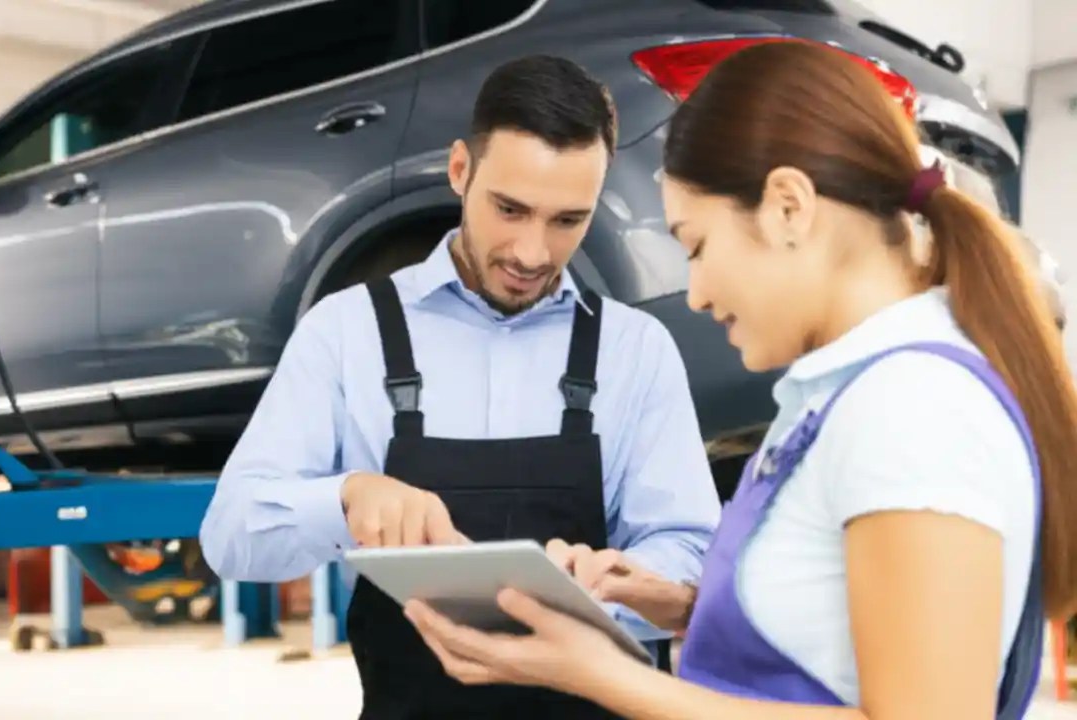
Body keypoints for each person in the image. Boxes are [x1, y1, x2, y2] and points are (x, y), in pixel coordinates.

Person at [403, 40, 1077, 719]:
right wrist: (687, 608)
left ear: (788, 207)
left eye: (696, 245)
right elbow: (832, 637)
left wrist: (604, 675)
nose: (694, 292)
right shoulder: (847, 399)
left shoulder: (912, 409)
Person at [198, 55, 720, 718]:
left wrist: (621, 582)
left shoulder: (634, 350)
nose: (532, 253)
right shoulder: (347, 333)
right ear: (458, 171)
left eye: (567, 221)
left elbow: (690, 551)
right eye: (510, 209)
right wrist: (347, 499)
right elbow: (230, 535)